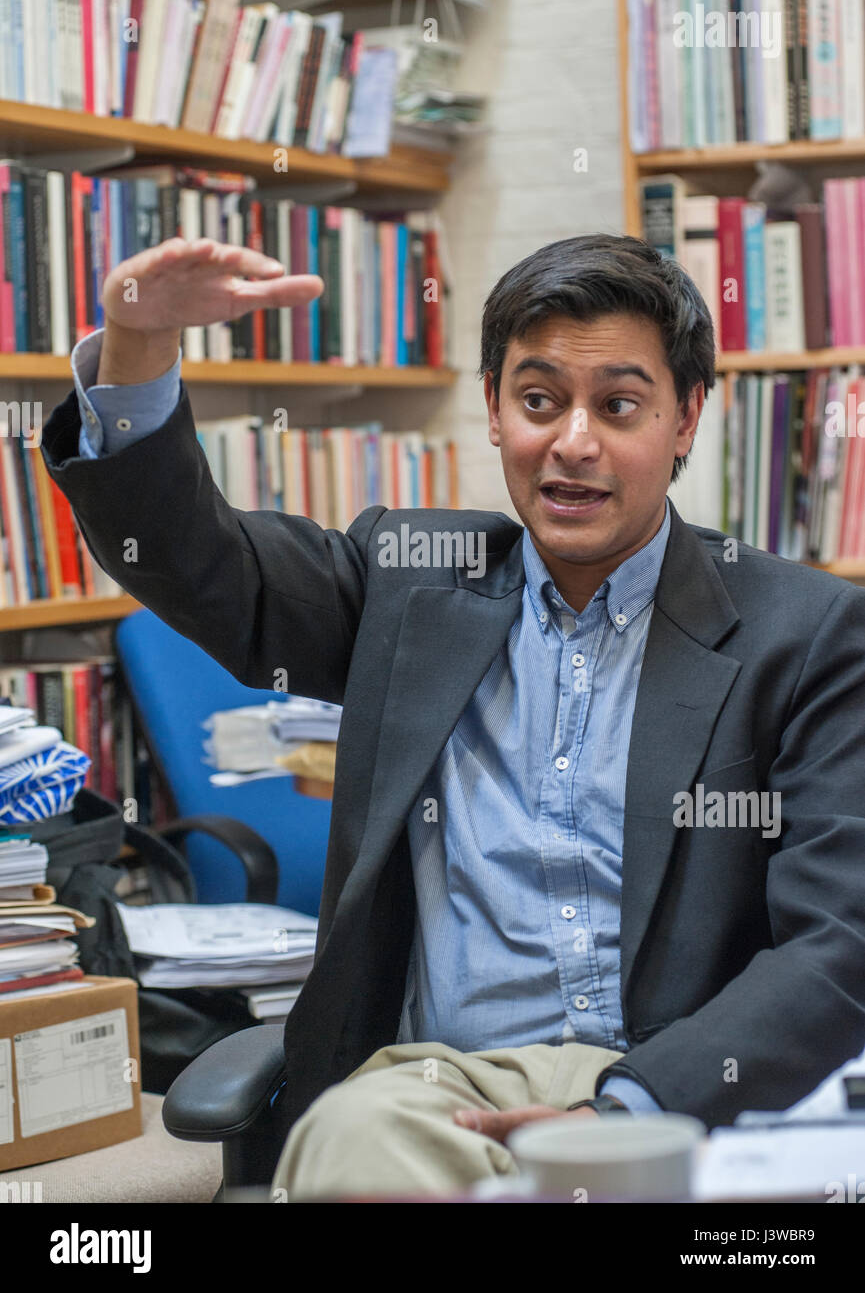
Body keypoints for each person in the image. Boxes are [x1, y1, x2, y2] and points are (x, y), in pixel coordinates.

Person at [41, 233, 865, 1198]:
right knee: (362, 1148)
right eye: (538, 399)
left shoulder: (804, 633)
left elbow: (838, 938)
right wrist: (139, 341)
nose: (572, 442)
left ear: (685, 419)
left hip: (683, 1090)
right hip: (440, 1093)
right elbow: (196, 562)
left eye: (619, 405)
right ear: (492, 409)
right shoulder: (411, 581)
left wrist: (628, 1108)